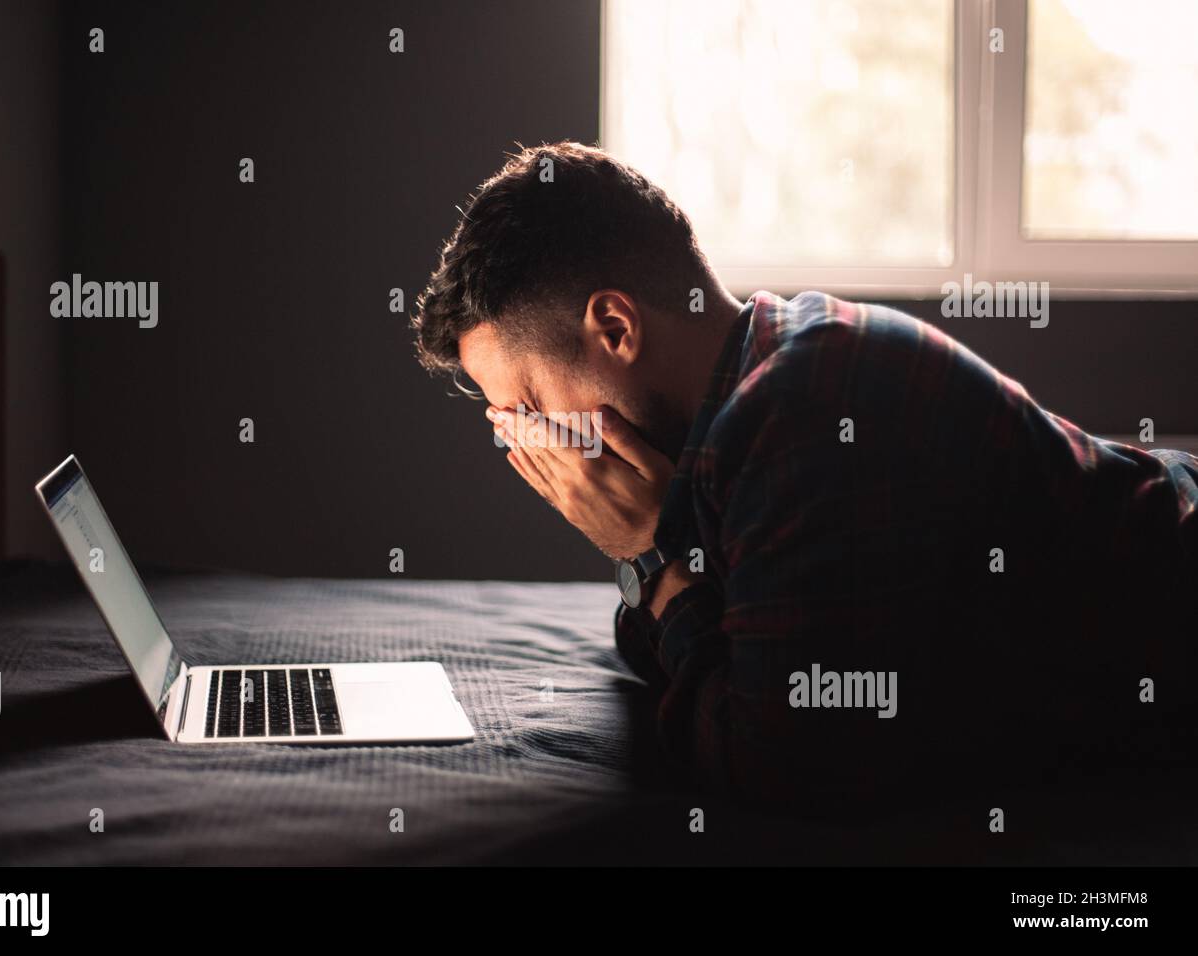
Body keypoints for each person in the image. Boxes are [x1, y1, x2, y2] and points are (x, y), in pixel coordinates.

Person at [410, 141, 1198, 809]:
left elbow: (775, 763)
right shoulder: (745, 387)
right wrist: (656, 550)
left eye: (530, 406)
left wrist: (652, 554)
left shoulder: (804, 407)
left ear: (614, 328)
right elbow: (661, 649)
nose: (537, 444)